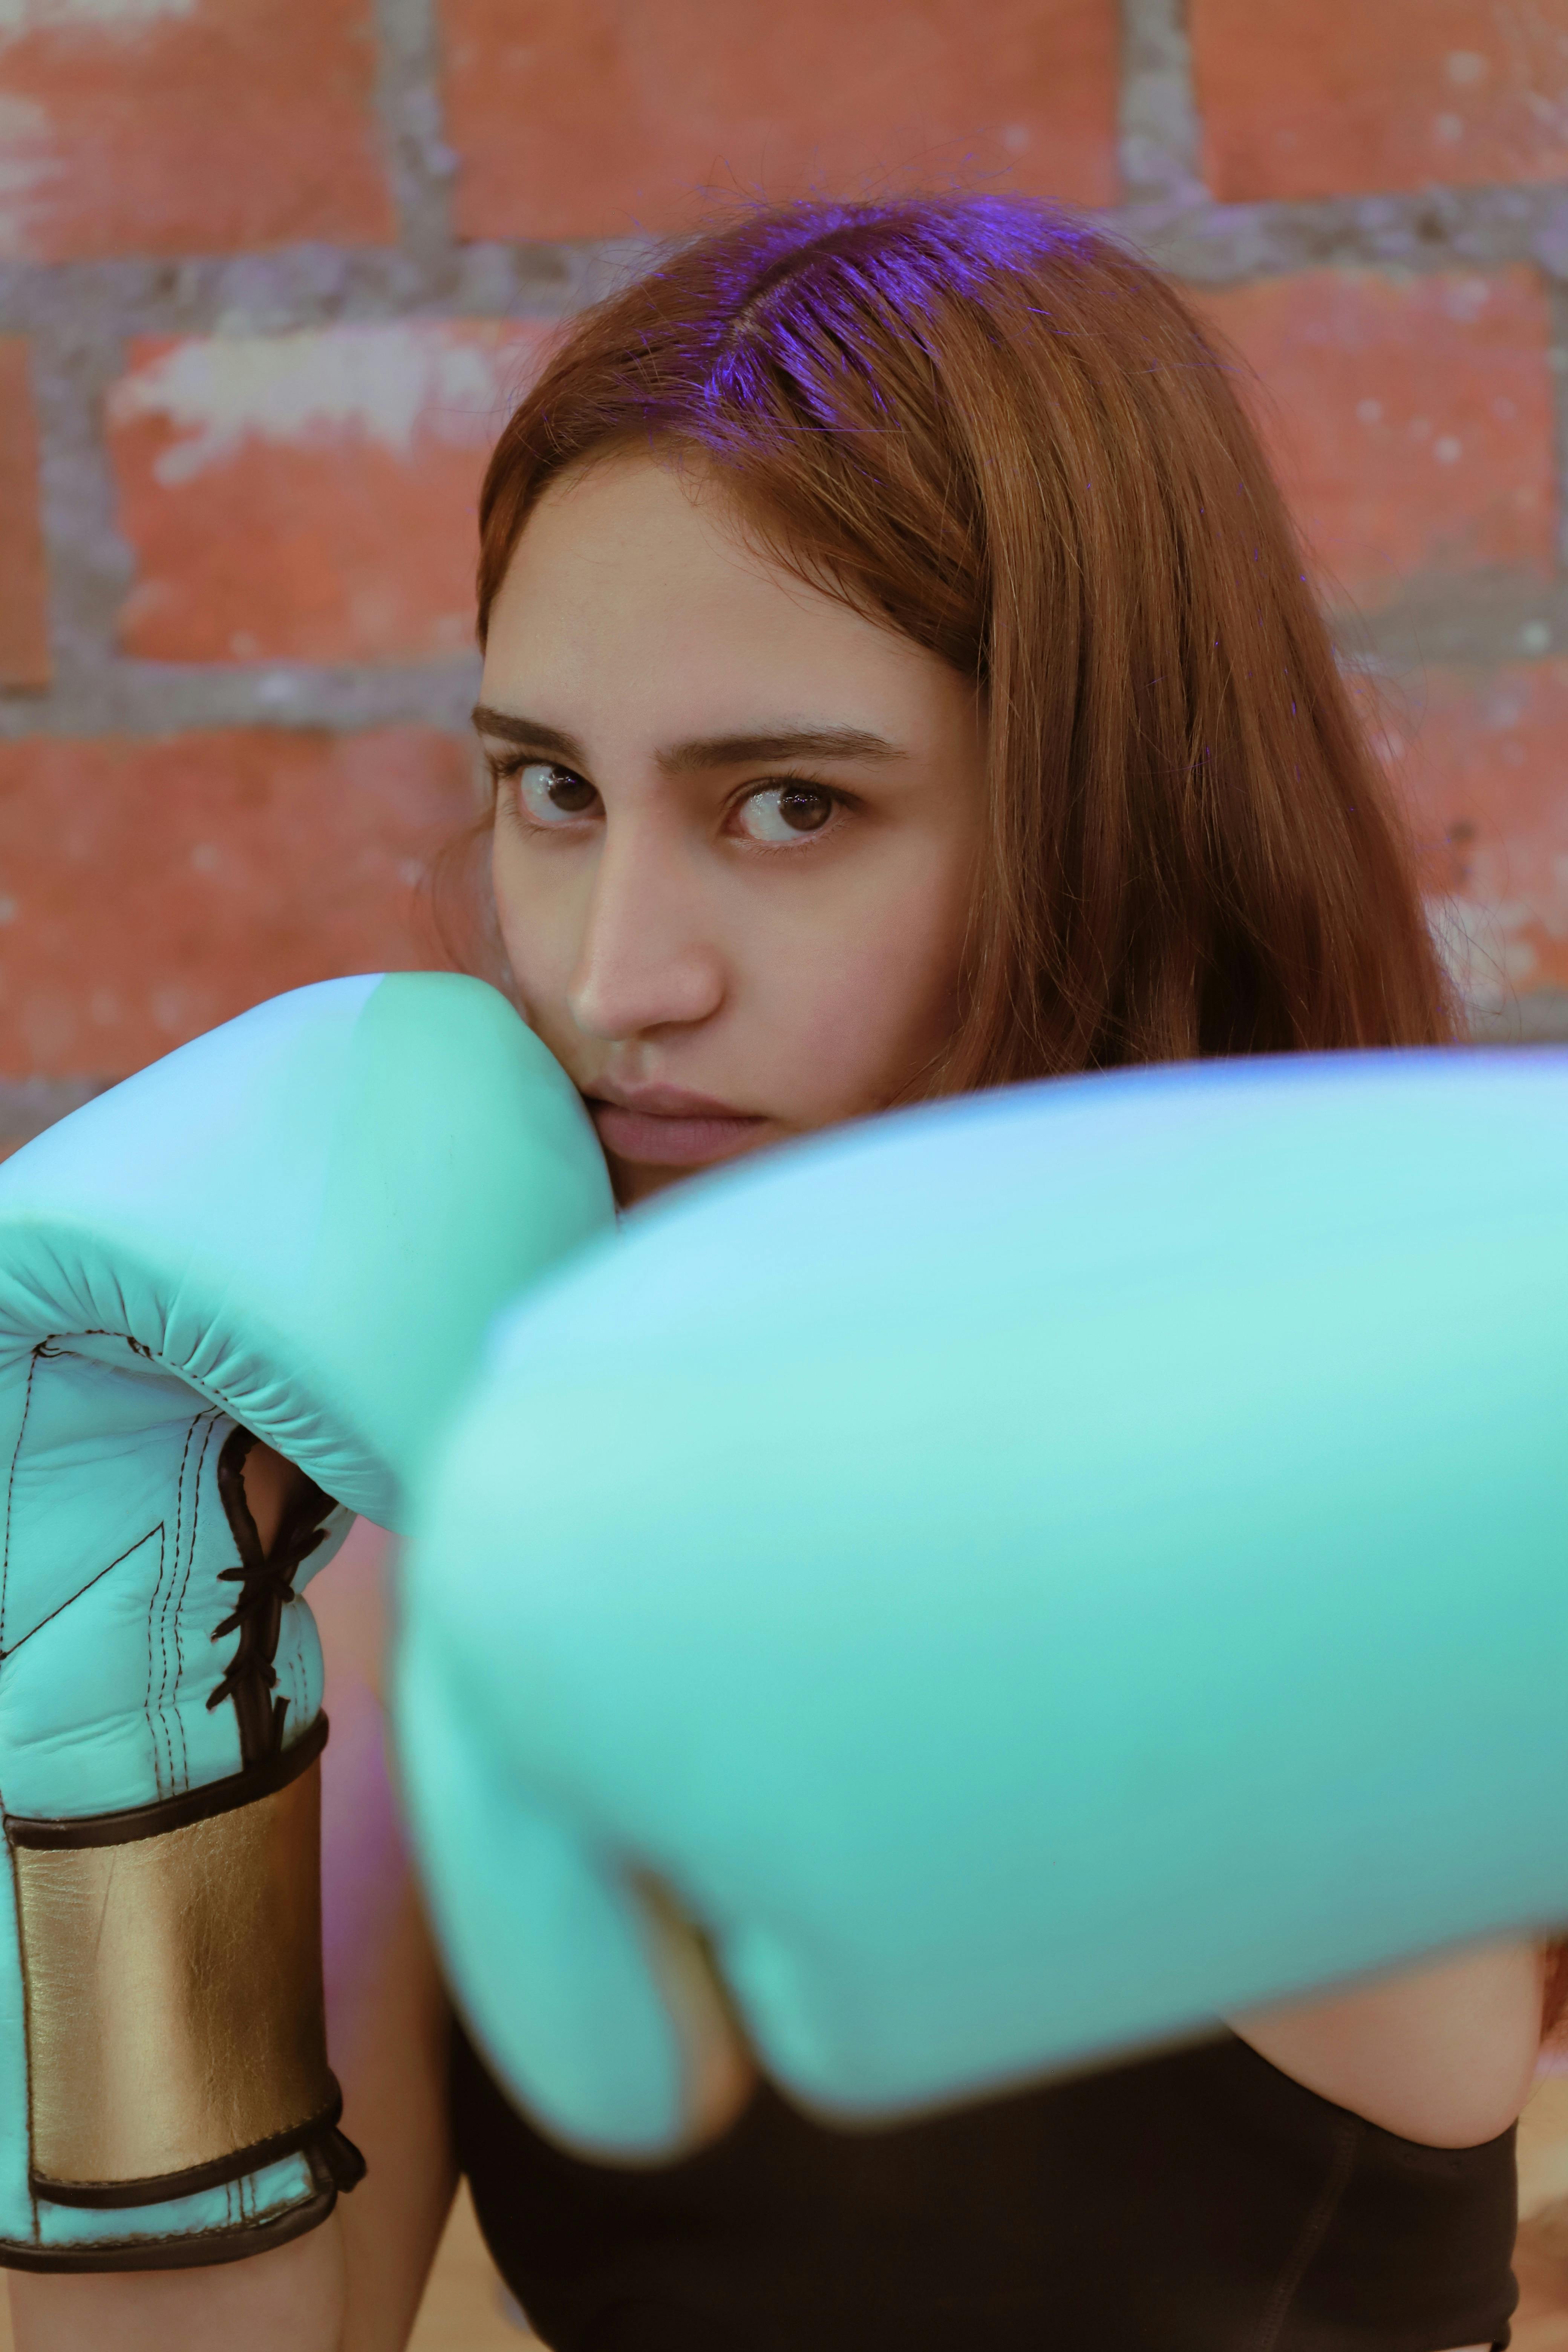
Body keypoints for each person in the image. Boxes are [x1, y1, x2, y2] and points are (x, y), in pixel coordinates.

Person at [10, 194, 1553, 2352]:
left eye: (791, 809)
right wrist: (117, 1733)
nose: (610, 977)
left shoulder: (1341, 1526)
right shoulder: (463, 1547)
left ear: (1105, 818)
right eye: (551, 788)